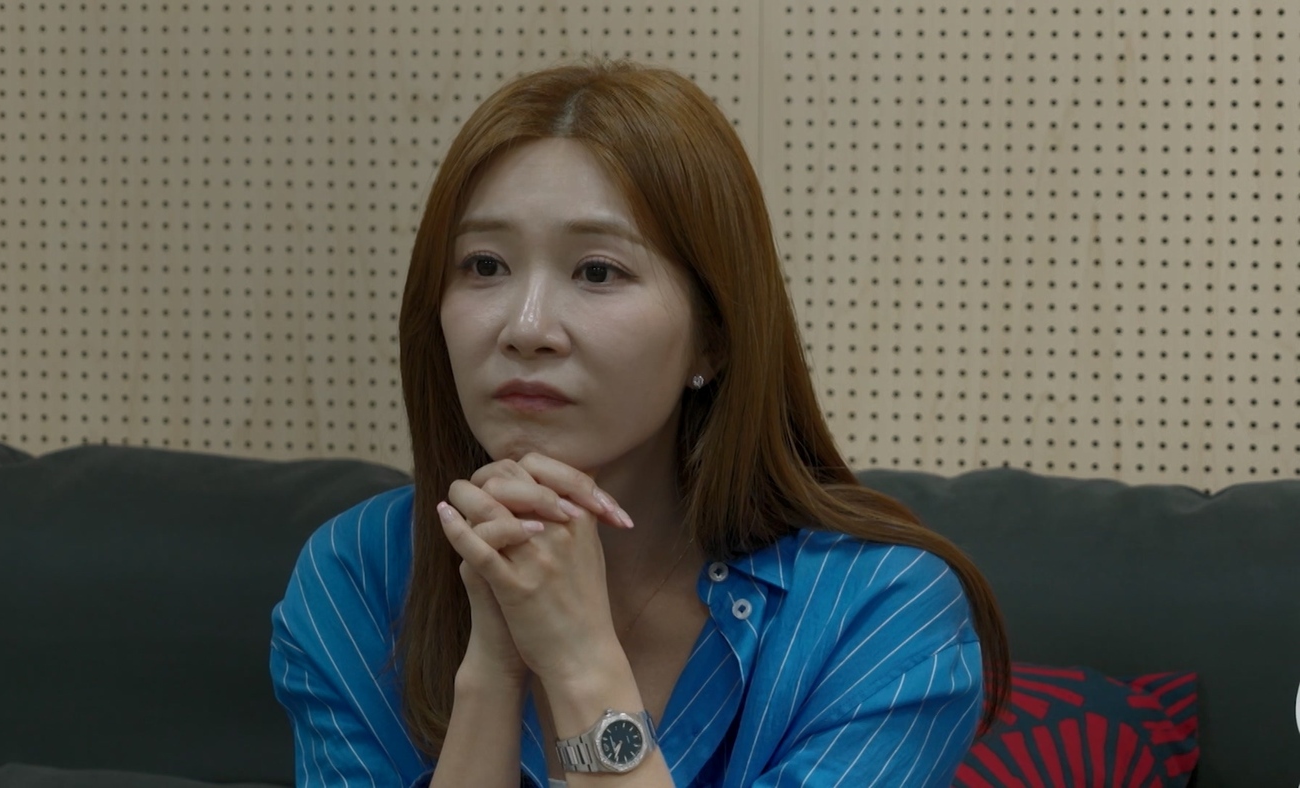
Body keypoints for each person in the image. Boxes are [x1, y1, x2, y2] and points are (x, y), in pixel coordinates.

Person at [270, 59, 1008, 787]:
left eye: (597, 271)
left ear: (713, 336)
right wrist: (492, 673)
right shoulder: (357, 576)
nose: (526, 329)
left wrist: (580, 663)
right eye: (485, 266)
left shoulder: (883, 613)